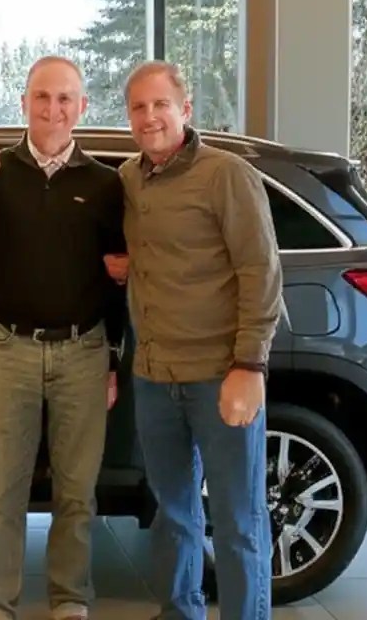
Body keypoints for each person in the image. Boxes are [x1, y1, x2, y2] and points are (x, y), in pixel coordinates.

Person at [0, 55, 128, 620]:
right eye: (43, 97)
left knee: (76, 495)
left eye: (65, 99)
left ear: (81, 107)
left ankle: (69, 601)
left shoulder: (107, 184)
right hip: (10, 348)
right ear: (24, 103)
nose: (53, 109)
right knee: (3, 494)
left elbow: (120, 278)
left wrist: (115, 358)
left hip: (84, 352)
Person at [104, 59, 282, 620]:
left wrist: (249, 366)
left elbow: (261, 270)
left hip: (220, 375)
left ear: (185, 108)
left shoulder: (225, 175)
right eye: (138, 107)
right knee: (174, 514)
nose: (149, 116)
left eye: (161, 104)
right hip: (155, 378)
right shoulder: (128, 179)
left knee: (238, 521)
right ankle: (180, 611)